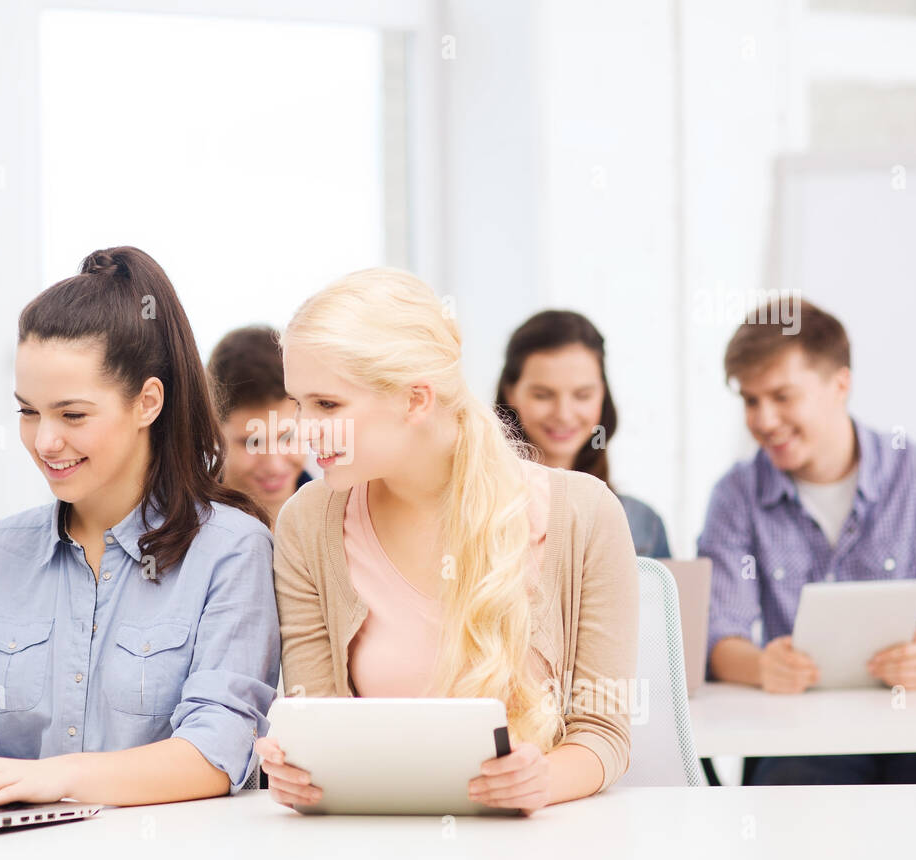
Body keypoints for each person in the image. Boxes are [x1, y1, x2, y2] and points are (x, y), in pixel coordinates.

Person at [257, 268, 639, 814]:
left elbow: (603, 731)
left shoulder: (586, 513)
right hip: (379, 845)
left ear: (415, 400)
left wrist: (541, 781)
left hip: (536, 845)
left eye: (327, 405)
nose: (303, 429)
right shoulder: (307, 523)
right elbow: (318, 722)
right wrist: (302, 777)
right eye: (298, 403)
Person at [0, 246, 281, 808]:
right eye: (28, 411)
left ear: (147, 401)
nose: (45, 441)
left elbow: (218, 748)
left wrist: (60, 777)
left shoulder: (231, 551)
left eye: (72, 415)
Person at [698, 297, 916, 785]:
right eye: (750, 401)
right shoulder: (736, 495)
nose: (764, 421)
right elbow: (718, 638)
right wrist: (761, 666)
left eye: (782, 396)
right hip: (798, 741)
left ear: (840, 384)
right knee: (790, 790)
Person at [495, 310, 670, 558]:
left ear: (602, 394)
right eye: (542, 395)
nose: (564, 414)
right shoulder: (478, 512)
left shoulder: (642, 525)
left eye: (582, 395)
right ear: (511, 393)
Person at [206, 324, 311, 528]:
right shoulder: (184, 531)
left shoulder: (345, 518)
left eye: (287, 437)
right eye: (252, 442)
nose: (275, 465)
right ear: (212, 432)